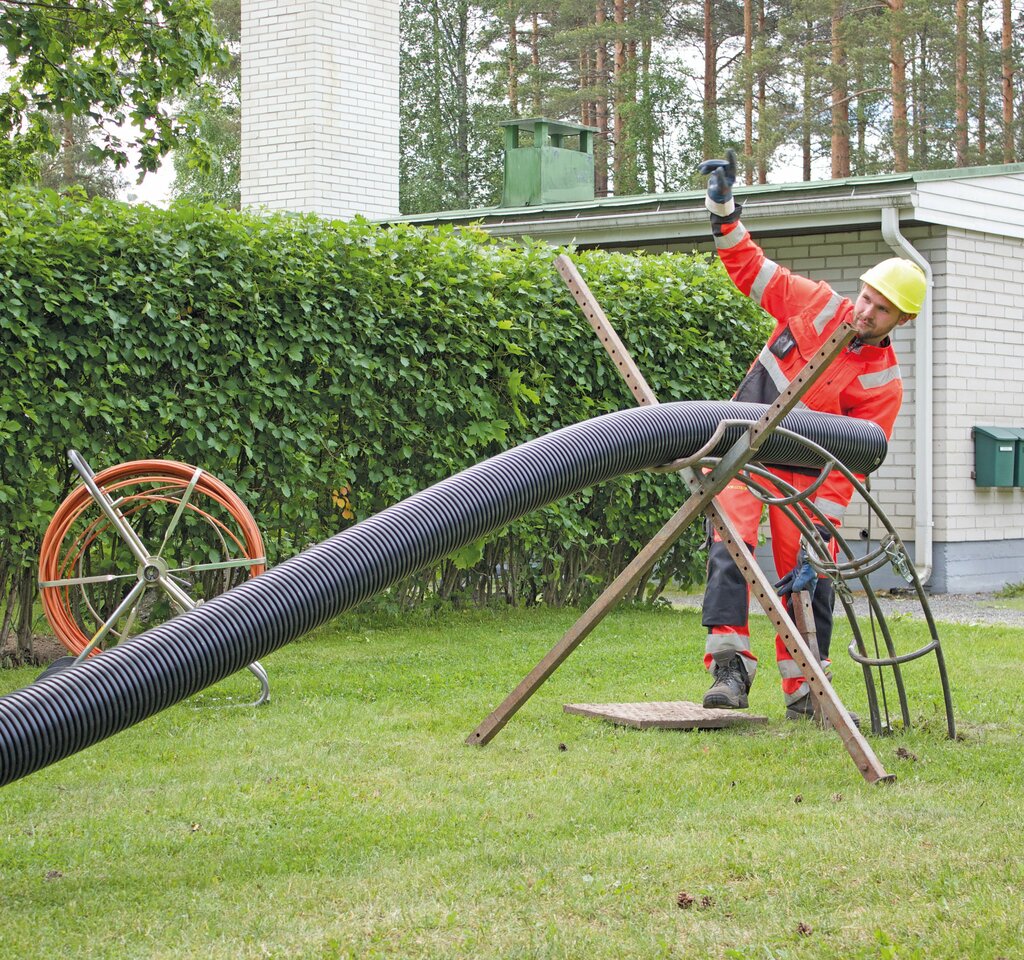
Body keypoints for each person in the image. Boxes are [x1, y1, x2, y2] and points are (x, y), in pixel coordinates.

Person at [696, 149, 926, 718]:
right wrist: (723, 208)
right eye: (867, 297)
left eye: (881, 310)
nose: (865, 312)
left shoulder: (884, 385)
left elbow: (851, 466)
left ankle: (805, 687)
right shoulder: (817, 304)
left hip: (806, 478)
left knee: (812, 573)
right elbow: (749, 267)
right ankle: (730, 671)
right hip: (741, 452)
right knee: (732, 547)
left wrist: (820, 527)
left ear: (902, 321)